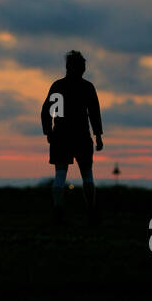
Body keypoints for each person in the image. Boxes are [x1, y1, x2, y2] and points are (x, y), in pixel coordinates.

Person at [40, 50, 103, 223]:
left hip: (61, 136)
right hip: (81, 136)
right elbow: (94, 113)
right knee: (87, 174)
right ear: (82, 68)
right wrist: (98, 135)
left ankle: (57, 209)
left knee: (60, 174)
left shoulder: (58, 86)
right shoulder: (87, 87)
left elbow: (48, 111)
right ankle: (91, 209)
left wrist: (49, 131)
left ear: (68, 67)